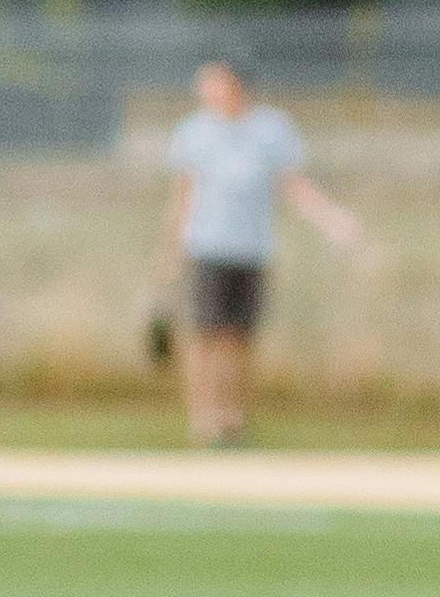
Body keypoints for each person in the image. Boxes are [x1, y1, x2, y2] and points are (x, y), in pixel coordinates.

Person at [155, 56, 369, 447]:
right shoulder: (194, 132)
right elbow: (181, 197)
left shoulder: (271, 130)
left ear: (234, 83)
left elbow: (292, 186)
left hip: (251, 248)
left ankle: (233, 418)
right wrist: (169, 251)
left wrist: (333, 220)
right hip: (207, 246)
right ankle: (203, 420)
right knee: (205, 334)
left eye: (212, 81)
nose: (203, 90)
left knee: (239, 335)